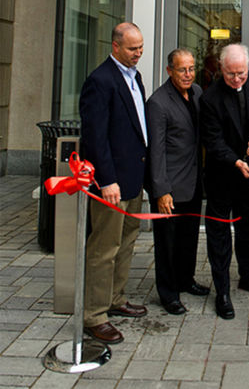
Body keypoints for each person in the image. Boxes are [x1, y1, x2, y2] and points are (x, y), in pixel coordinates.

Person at [78, 22, 150, 345]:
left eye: (141, 47)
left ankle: (116, 298)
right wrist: (107, 180)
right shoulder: (100, 80)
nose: (139, 54)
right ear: (116, 46)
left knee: (127, 242)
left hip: (133, 181)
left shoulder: (135, 79)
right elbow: (95, 138)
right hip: (112, 185)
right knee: (104, 248)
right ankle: (94, 315)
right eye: (133, 49)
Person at [199, 43, 249, 319]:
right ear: (221, 69)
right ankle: (222, 291)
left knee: (248, 229)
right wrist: (236, 161)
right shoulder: (209, 98)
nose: (236, 79)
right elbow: (213, 141)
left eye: (241, 73)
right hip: (222, 174)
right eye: (231, 74)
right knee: (219, 236)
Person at [146, 48, 209, 316]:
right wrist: (161, 191)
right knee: (167, 244)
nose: (188, 74)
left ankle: (186, 280)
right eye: (182, 69)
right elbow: (156, 152)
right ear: (169, 70)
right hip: (169, 186)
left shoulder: (196, 93)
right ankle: (169, 293)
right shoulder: (158, 103)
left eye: (192, 68)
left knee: (189, 237)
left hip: (193, 182)